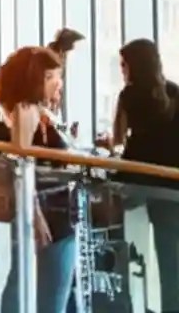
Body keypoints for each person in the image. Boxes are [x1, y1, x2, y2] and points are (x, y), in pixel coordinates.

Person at [0, 46, 75, 313]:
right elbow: (23, 166)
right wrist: (36, 217)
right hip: (52, 216)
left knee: (23, 279)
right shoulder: (26, 111)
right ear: (37, 80)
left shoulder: (20, 112)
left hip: (44, 213)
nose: (60, 83)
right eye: (53, 77)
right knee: (51, 294)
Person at [102, 39, 179, 311]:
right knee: (173, 266)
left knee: (147, 253)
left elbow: (119, 141)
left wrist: (108, 145)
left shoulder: (129, 95)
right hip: (172, 186)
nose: (122, 70)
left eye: (124, 65)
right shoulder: (174, 92)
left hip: (141, 186)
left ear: (135, 65)